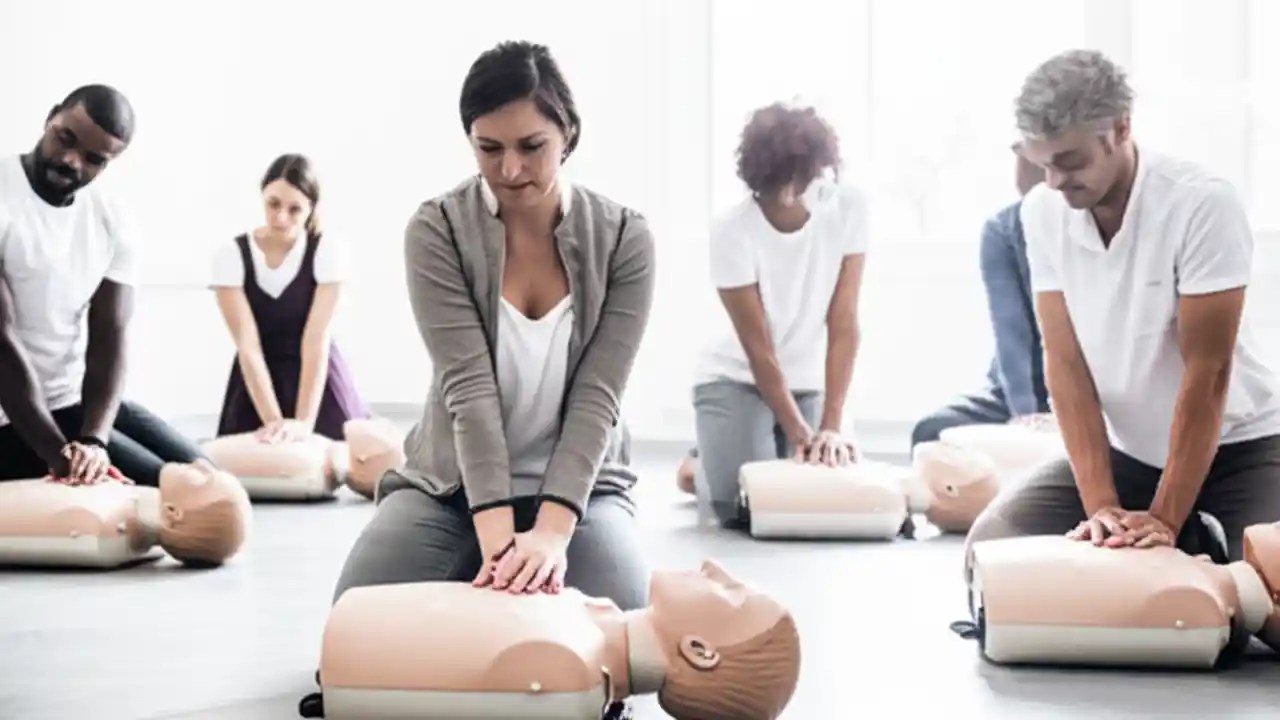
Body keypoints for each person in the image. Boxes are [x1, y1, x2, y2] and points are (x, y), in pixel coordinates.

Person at [332, 41, 654, 621]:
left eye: (532, 147)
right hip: (451, 486)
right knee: (355, 622)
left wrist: (551, 535)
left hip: (582, 490)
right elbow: (469, 389)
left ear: (568, 134)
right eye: (489, 148)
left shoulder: (625, 239)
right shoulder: (437, 229)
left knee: (623, 625)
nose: (510, 170)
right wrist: (502, 550)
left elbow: (598, 396)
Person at [965, 49, 1280, 565]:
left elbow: (1208, 373)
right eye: (1043, 164)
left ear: (1121, 128)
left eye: (1071, 162)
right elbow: (1065, 366)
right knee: (992, 548)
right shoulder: (1042, 211)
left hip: (1241, 448)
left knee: (1268, 583)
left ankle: (1196, 533)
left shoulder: (1201, 203)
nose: (1055, 181)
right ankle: (1194, 539)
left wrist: (1165, 520)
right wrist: (1102, 511)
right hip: (1129, 455)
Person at [0, 84, 205, 487]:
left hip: (70, 403)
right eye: (65, 138)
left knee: (208, 478)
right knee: (175, 493)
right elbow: (1, 346)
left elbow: (110, 337)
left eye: (94, 159)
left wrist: (94, 440)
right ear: (51, 116)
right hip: (11, 419)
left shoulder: (112, 218)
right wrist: (60, 457)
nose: (71, 160)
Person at [684, 102, 868, 528]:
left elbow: (844, 323)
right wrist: (799, 432)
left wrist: (830, 427)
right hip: (735, 377)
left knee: (825, 490)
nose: (794, 192)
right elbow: (759, 349)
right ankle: (698, 466)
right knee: (742, 504)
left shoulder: (849, 208)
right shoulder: (731, 230)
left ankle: (739, 445)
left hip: (809, 379)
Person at [209, 154, 369, 443]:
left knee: (339, 459)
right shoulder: (231, 256)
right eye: (273, 204)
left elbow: (315, 339)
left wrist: (303, 424)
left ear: (311, 208)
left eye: (294, 209)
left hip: (317, 384)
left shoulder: (328, 250)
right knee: (249, 463)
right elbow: (248, 346)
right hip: (256, 386)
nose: (281, 217)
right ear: (262, 195)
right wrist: (275, 424)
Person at [910, 149, 1050, 448]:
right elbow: (1010, 333)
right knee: (930, 432)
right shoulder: (1002, 229)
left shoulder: (1088, 223)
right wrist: (1025, 414)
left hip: (1088, 389)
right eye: (1019, 153)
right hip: (1014, 392)